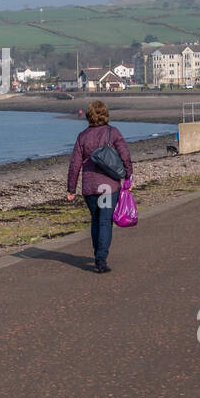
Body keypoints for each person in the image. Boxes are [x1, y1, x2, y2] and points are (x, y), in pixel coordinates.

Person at [66, 100, 133, 274]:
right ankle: (101, 259)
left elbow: (75, 164)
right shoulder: (113, 132)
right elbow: (125, 156)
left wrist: (71, 189)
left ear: (89, 115)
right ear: (105, 114)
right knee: (104, 222)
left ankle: (98, 254)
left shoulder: (82, 136)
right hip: (107, 186)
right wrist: (128, 177)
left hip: (89, 187)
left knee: (96, 220)